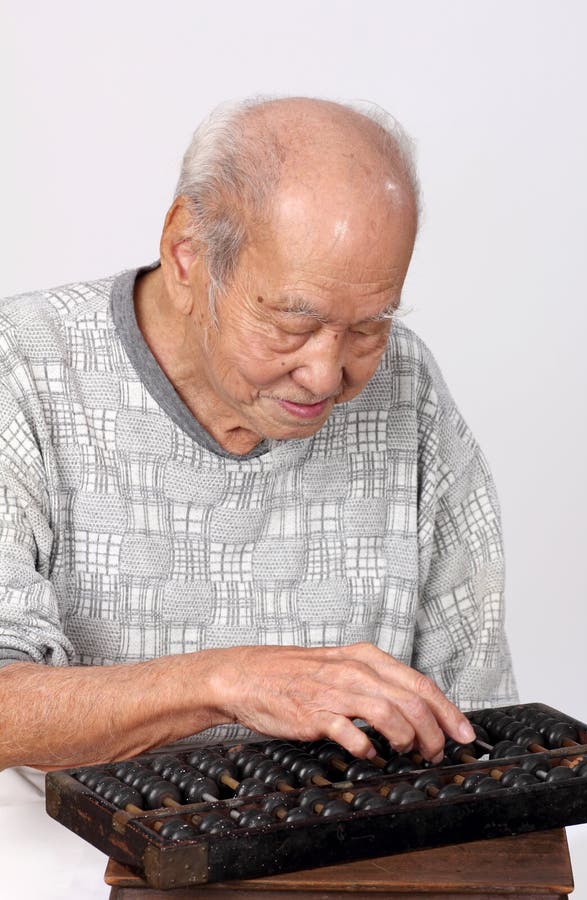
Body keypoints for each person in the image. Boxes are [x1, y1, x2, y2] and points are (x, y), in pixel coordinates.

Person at [0, 97, 517, 773]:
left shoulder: (405, 384)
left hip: (348, 850)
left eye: (368, 325)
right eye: (291, 323)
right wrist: (229, 683)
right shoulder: (24, 367)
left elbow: (477, 716)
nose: (327, 373)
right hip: (74, 860)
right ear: (189, 255)